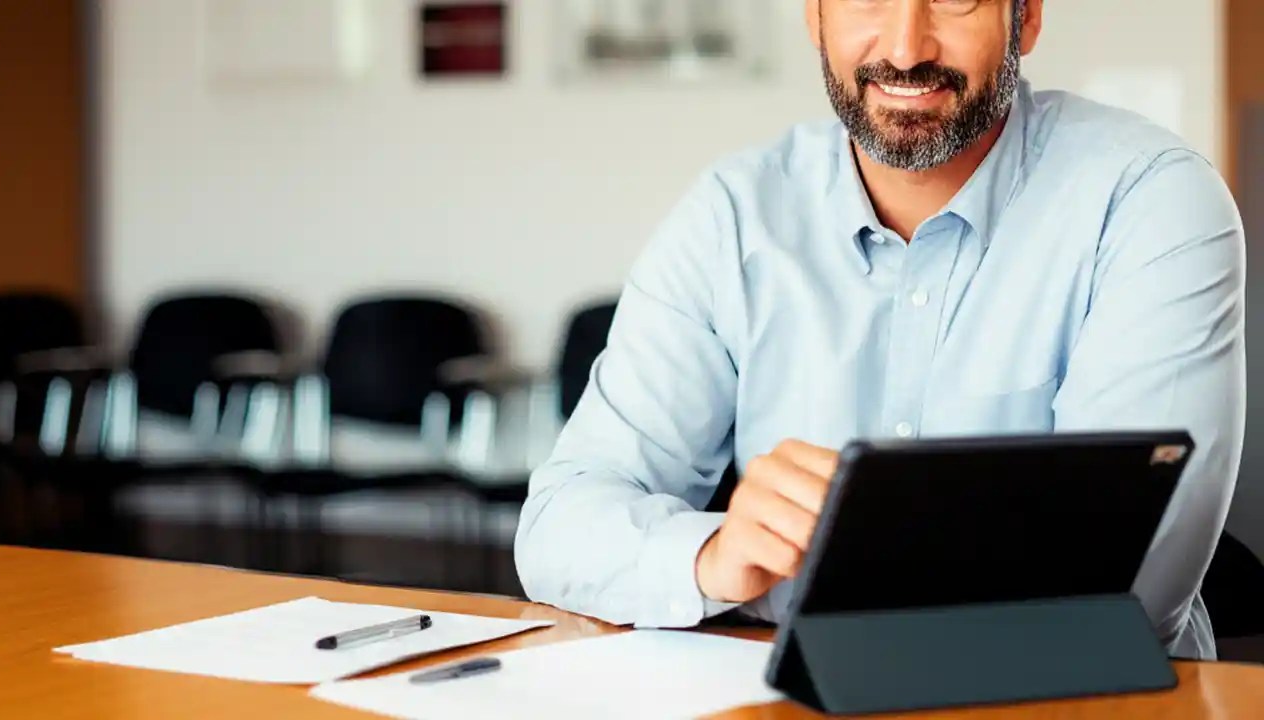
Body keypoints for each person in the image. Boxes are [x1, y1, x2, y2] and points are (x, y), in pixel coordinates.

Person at [515, 0, 1245, 660]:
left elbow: (1126, 587)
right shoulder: (733, 216)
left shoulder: (1150, 201)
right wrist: (712, 556)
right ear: (815, 16)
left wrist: (804, 580)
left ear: (1025, 19)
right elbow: (560, 526)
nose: (904, 47)